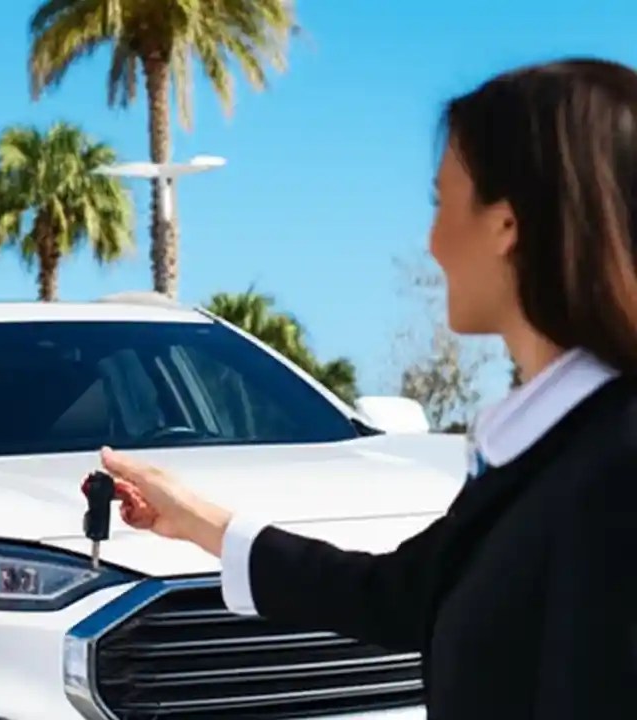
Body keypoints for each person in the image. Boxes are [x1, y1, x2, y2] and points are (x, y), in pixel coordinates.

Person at [91, 57, 637, 719]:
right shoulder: (545, 452)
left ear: (506, 224)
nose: (431, 242)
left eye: (441, 203)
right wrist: (198, 520)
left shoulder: (613, 467)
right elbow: (395, 595)